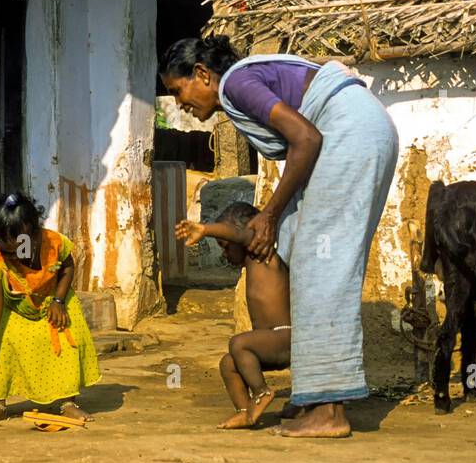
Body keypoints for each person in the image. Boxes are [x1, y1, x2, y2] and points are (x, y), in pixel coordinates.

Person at [161, 36, 399, 439]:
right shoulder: (241, 87)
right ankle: (311, 395)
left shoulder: (235, 83)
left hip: (350, 133)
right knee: (299, 245)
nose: (178, 103)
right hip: (364, 130)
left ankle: (329, 411)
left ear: (201, 74)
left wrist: (269, 213)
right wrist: (275, 220)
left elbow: (307, 138)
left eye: (177, 91)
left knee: (322, 265)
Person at [0, 191, 100, 426]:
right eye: (8, 250)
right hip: (16, 309)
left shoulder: (55, 244)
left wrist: (58, 301)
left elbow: (67, 267)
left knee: (66, 345)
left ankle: (67, 403)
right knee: (2, 347)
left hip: (53, 303)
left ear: (35, 232)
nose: (16, 256)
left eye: (20, 247)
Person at [176, 201, 290, 429]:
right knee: (228, 364)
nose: (224, 252)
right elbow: (237, 236)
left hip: (286, 338)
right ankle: (245, 411)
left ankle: (261, 392)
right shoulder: (252, 262)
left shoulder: (262, 255)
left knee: (238, 343)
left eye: (226, 245)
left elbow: (240, 235)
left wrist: (205, 229)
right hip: (268, 342)